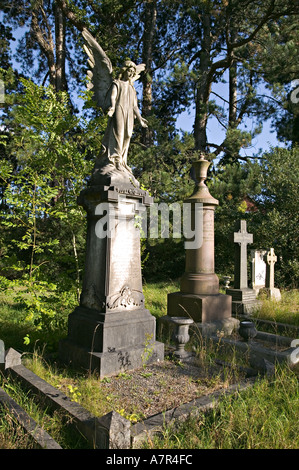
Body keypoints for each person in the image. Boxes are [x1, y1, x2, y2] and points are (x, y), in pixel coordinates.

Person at [100, 61, 148, 172]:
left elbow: (135, 106)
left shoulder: (132, 89)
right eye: (130, 71)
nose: (131, 74)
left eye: (133, 72)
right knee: (119, 134)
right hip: (119, 109)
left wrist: (140, 119)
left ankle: (122, 161)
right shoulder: (117, 83)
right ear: (125, 70)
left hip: (129, 113)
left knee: (128, 135)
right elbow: (113, 96)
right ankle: (115, 160)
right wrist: (112, 108)